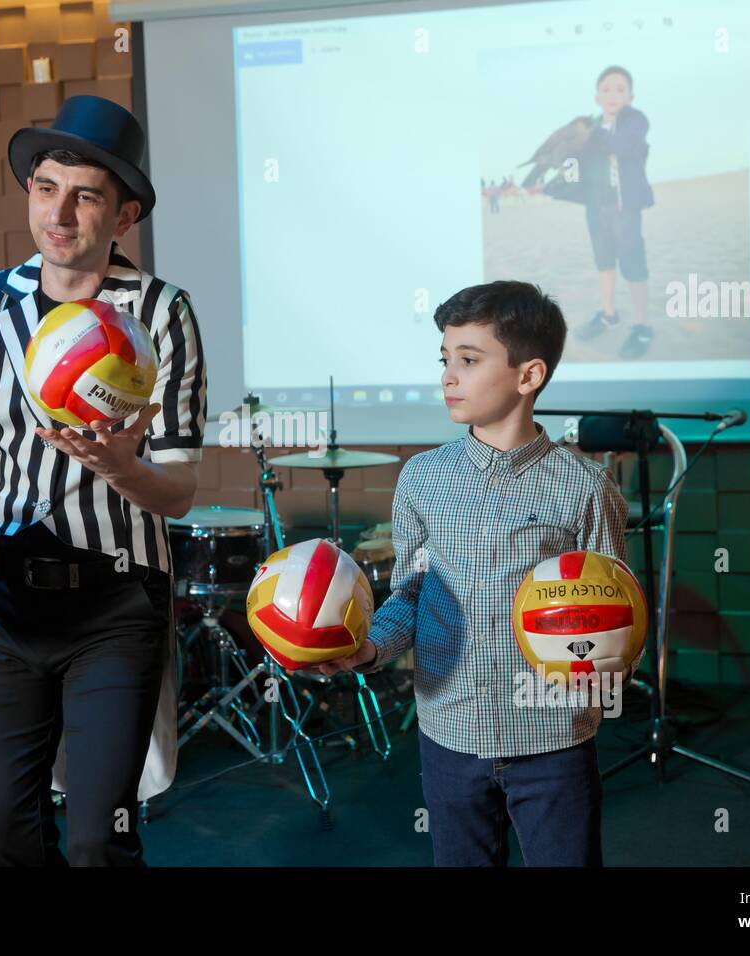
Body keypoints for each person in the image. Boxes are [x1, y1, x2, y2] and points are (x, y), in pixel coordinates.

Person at [0, 95, 207, 866]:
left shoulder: (162, 313)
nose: (60, 213)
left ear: (124, 214)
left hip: (115, 603)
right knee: (8, 840)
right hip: (5, 600)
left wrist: (122, 468)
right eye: (47, 188)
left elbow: (179, 490)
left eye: (86, 195)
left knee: (95, 841)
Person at [314, 281, 633, 866]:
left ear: (528, 375)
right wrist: (367, 651)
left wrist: (604, 672)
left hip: (553, 739)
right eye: (445, 360)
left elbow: (617, 616)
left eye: (468, 360)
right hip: (449, 733)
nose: (448, 376)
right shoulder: (422, 478)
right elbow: (409, 595)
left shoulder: (586, 485)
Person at [572, 66, 655, 359]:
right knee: (604, 262)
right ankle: (608, 314)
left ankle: (642, 325)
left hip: (625, 208)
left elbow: (622, 145)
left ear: (631, 97)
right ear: (597, 97)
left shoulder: (635, 121)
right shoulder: (590, 125)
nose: (613, 94)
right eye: (606, 89)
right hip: (596, 207)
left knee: (633, 263)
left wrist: (587, 135)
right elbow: (576, 163)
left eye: (620, 89)